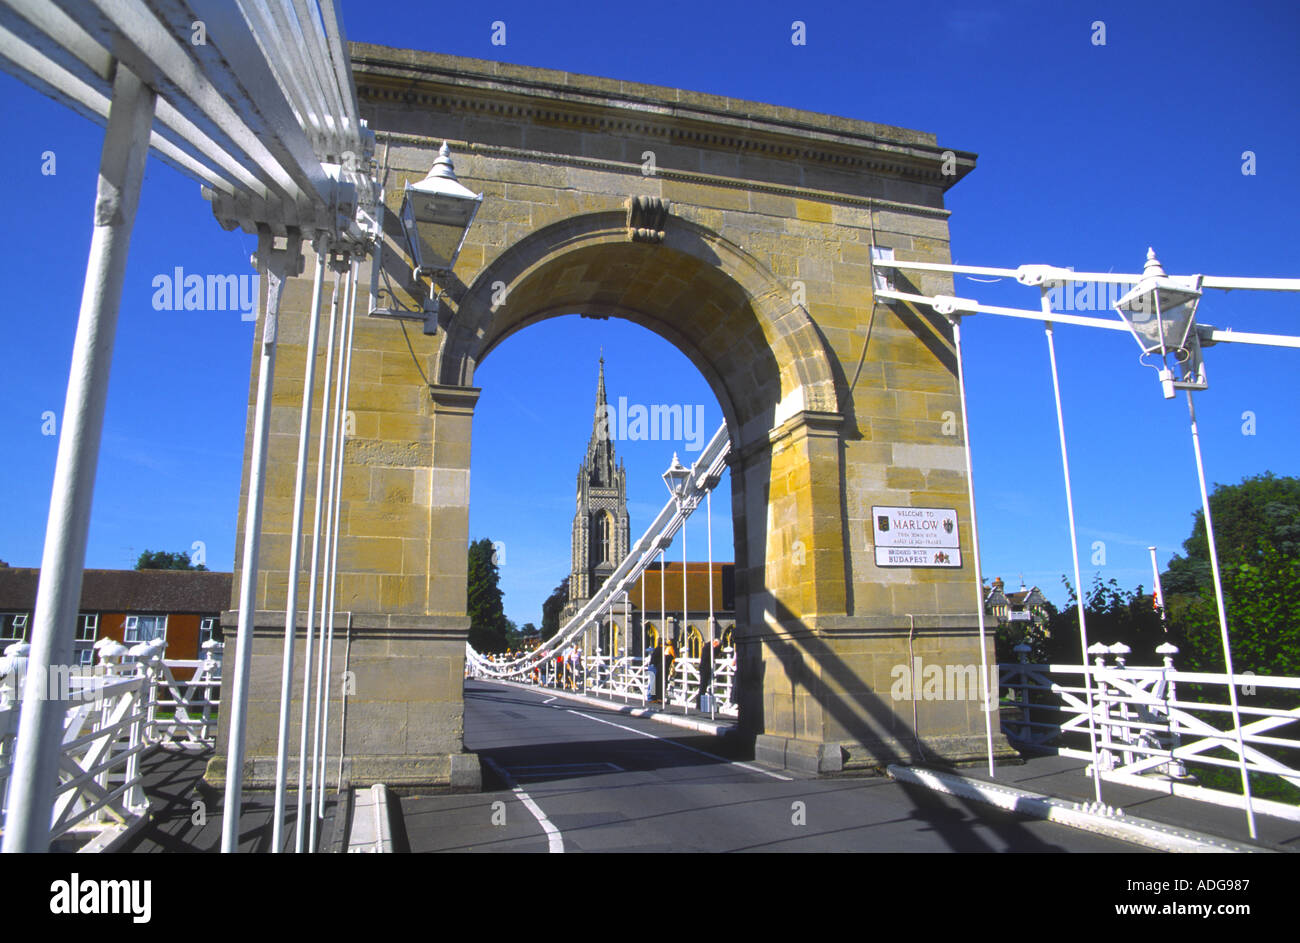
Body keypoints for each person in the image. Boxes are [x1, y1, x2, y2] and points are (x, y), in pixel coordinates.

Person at [697, 637, 720, 708]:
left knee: (703, 687)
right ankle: (699, 704)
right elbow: (712, 655)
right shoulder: (709, 647)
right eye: (718, 645)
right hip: (705, 669)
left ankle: (700, 704)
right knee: (702, 687)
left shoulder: (707, 646)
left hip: (704, 668)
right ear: (715, 643)